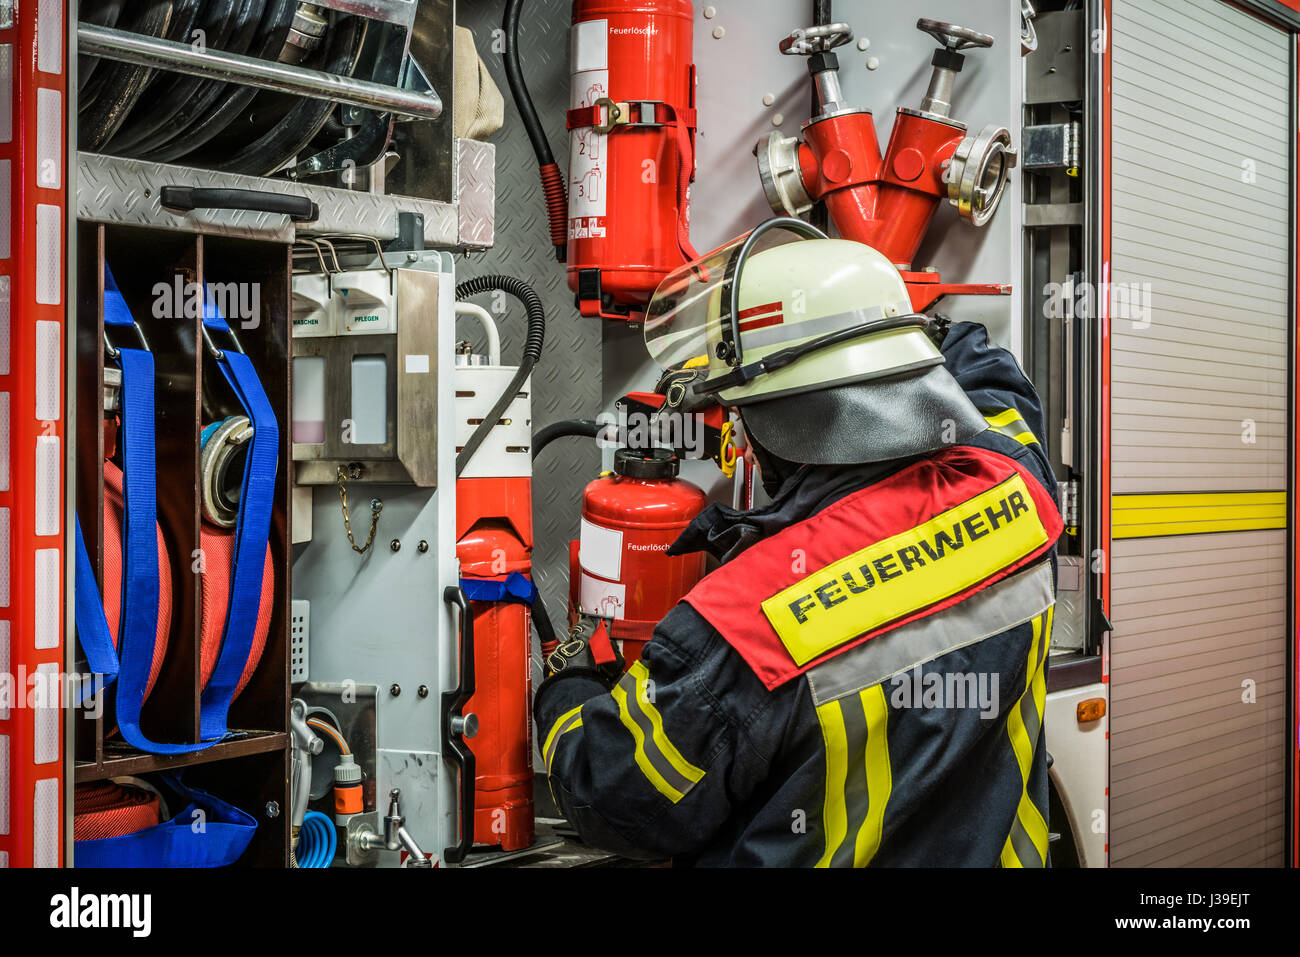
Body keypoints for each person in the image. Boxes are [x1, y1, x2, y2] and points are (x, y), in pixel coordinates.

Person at [534, 225, 1063, 867]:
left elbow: (613, 795)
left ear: (786, 424)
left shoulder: (753, 620)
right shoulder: (1016, 487)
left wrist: (570, 685)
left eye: (743, 414)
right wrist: (875, 323)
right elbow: (989, 373)